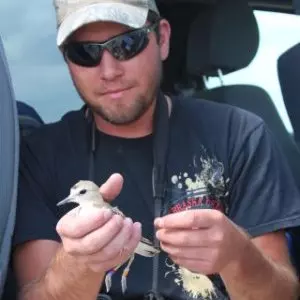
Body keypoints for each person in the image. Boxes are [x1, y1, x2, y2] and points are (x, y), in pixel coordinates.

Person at [12, 0, 300, 299]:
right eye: (85, 52)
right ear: (67, 60)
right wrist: (79, 263)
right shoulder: (38, 155)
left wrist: (236, 255)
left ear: (162, 38)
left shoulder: (239, 136)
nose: (109, 70)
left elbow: (282, 294)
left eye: (127, 44)